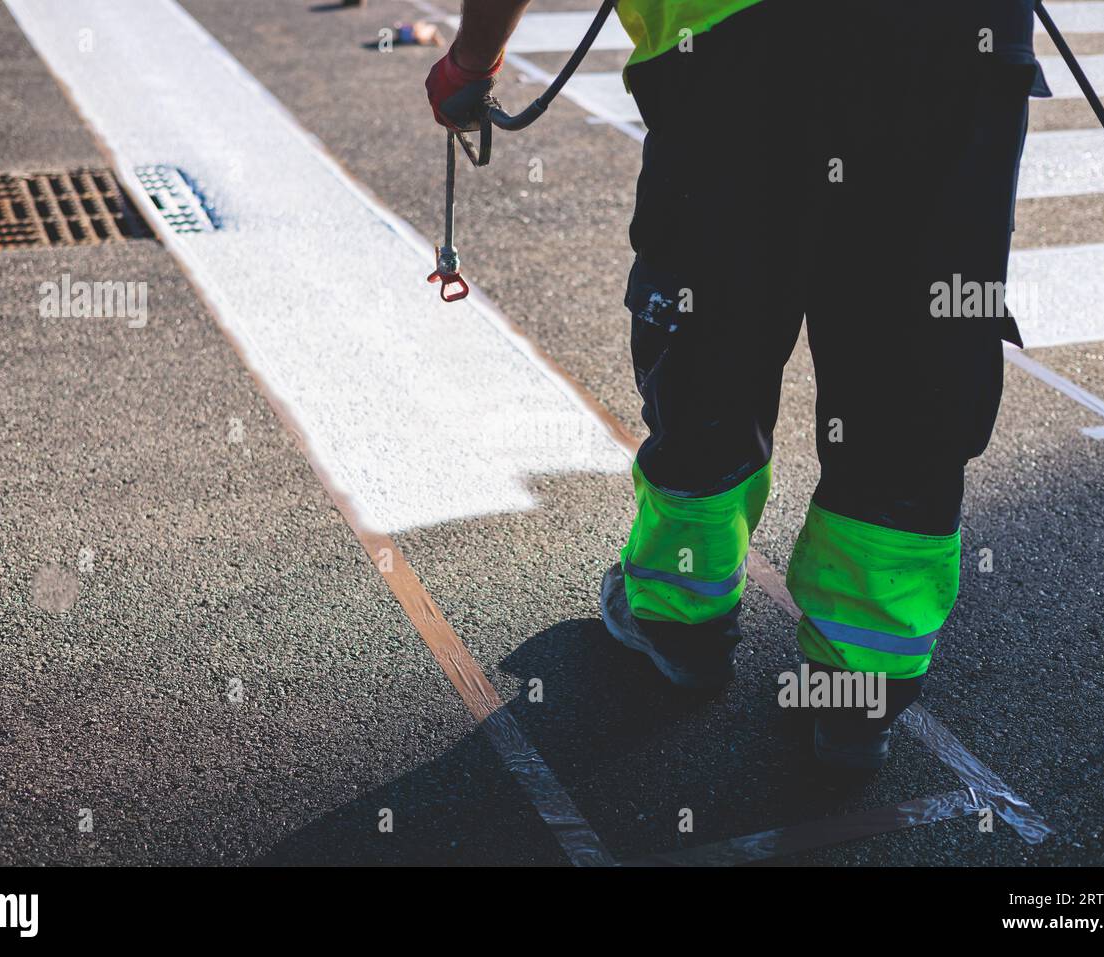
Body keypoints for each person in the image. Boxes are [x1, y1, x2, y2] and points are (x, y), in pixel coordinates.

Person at [426, 0, 1048, 770]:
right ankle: (859, 686)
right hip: (952, 35)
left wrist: (473, 62)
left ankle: (682, 617)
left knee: (710, 335)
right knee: (910, 362)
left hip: (733, 37)